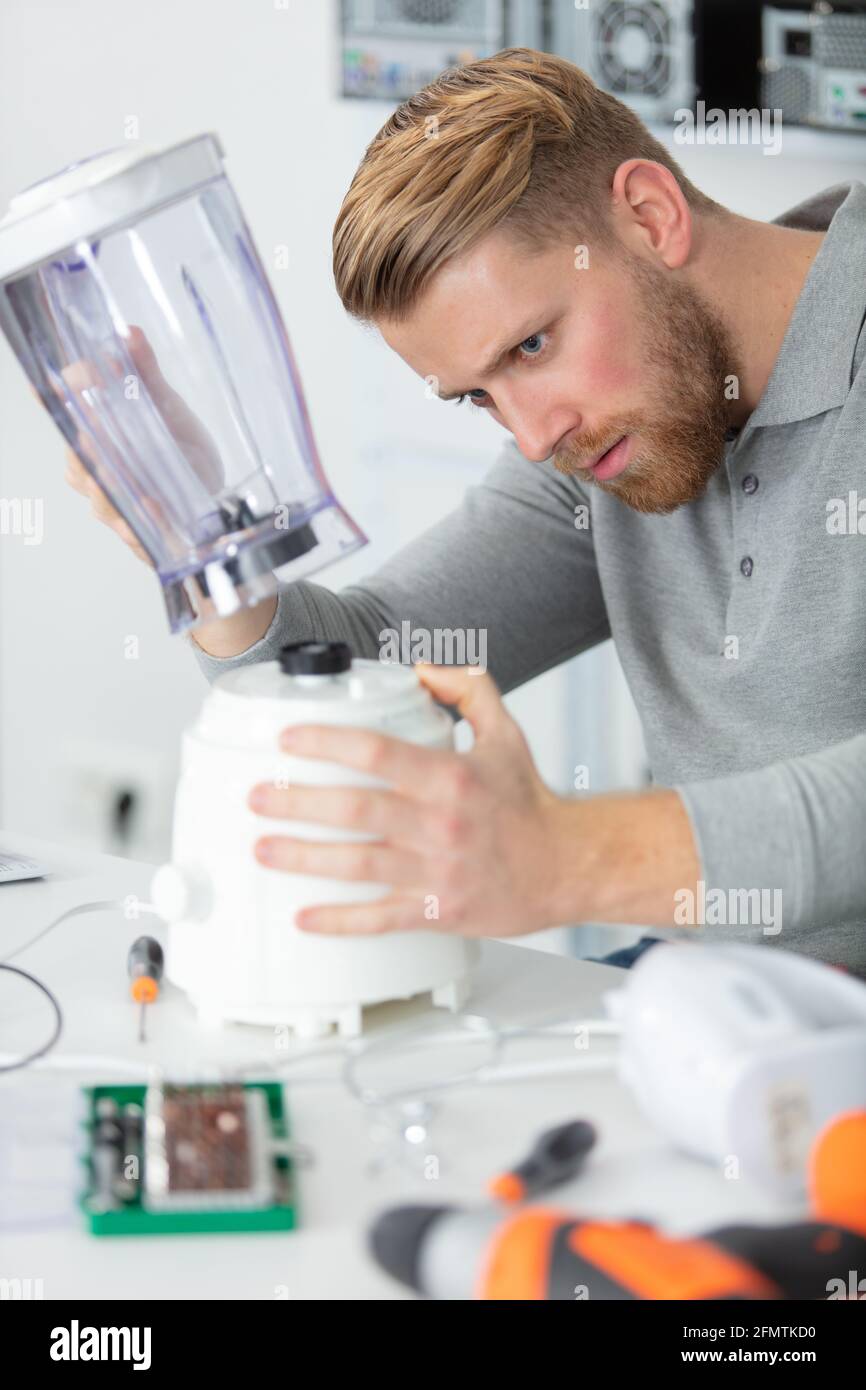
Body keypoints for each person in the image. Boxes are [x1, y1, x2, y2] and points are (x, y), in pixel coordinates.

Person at [66, 49, 866, 974]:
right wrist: (210, 543)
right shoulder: (608, 439)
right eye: (476, 396)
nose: (532, 436)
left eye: (532, 345)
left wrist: (569, 856)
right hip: (724, 1005)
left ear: (651, 216)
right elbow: (380, 656)